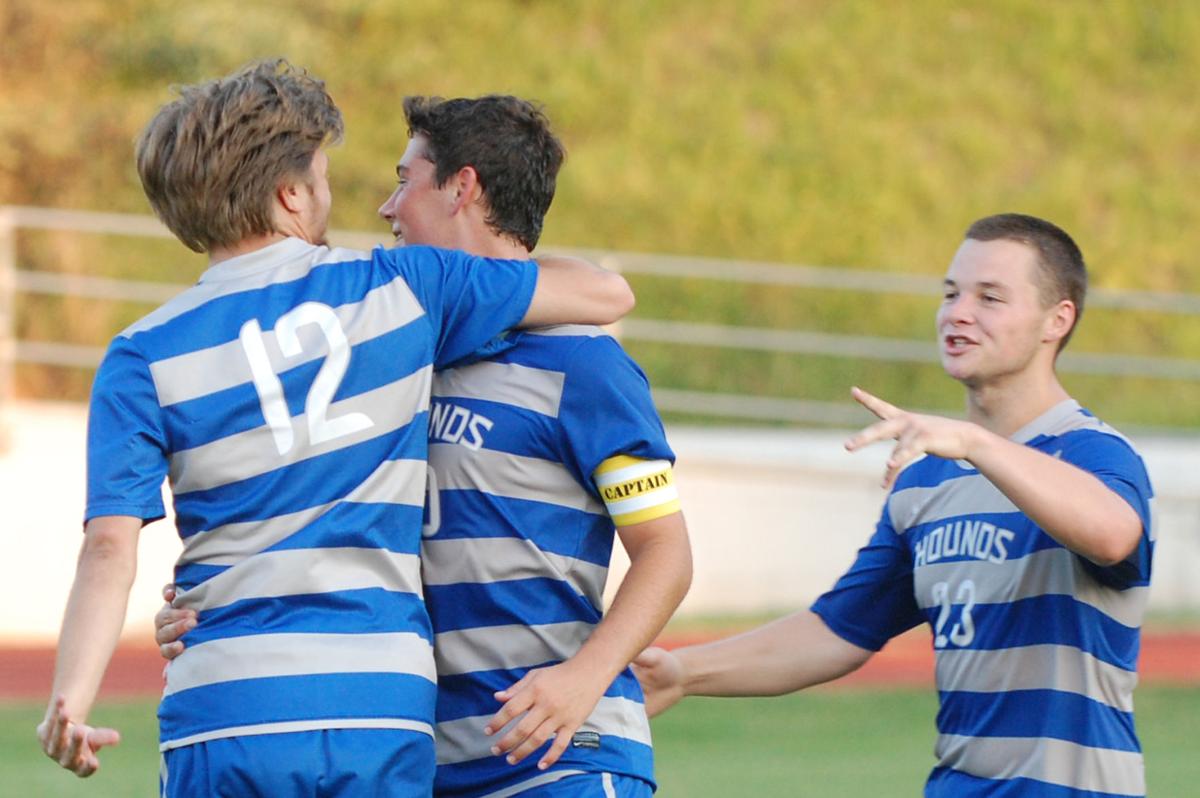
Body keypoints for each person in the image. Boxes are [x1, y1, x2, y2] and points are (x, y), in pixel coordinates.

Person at [37, 60, 634, 798]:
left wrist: (71, 698)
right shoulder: (400, 289)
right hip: (376, 702)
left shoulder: (142, 354)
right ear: (291, 194)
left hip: (224, 703)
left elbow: (107, 548)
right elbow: (604, 294)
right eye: (322, 176)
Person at [156, 94, 693, 798]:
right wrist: (212, 604)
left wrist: (583, 679)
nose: (386, 207)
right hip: (412, 761)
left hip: (560, 758)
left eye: (404, 180)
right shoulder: (385, 352)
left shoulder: (586, 365)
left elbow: (666, 552)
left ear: (461, 187)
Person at [633, 213, 1154, 798]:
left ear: (1057, 320)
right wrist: (684, 672)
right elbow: (836, 631)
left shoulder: (1092, 453)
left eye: (989, 297)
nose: (958, 313)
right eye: (951, 294)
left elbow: (1113, 535)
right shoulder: (925, 482)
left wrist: (977, 443)